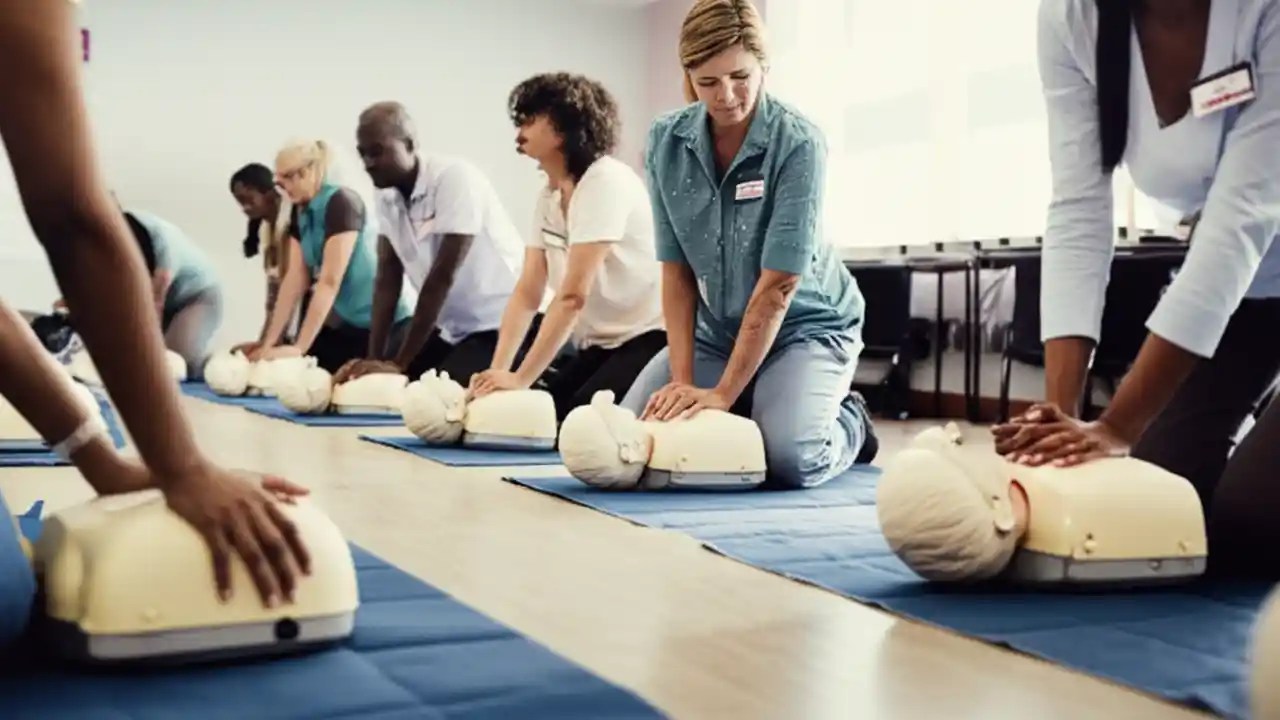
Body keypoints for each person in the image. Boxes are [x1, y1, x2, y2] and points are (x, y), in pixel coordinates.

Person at [0, 0, 311, 649]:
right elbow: (76, 225)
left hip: (197, 297)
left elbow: (150, 280)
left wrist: (103, 461)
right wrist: (183, 465)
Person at [995, 0, 1280, 578]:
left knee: (1254, 522)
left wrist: (1118, 425)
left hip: (1238, 258)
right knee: (1163, 503)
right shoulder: (1073, 19)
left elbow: (1240, 217)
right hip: (1250, 296)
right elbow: (1079, 209)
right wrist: (1062, 418)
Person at [620, 0, 878, 489]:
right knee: (639, 443)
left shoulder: (799, 142)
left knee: (791, 459)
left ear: (764, 66)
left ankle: (851, 421)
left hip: (806, 326)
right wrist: (684, 384)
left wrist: (719, 395)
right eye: (708, 82)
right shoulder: (664, 142)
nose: (728, 96)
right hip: (717, 330)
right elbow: (675, 272)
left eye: (740, 76)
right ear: (688, 75)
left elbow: (779, 287)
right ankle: (749, 394)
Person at [468, 73, 667, 421]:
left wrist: (521, 379)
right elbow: (529, 291)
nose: (519, 131)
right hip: (598, 345)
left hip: (648, 340)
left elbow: (573, 294)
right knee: (540, 415)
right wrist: (496, 375)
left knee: (573, 424)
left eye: (530, 119)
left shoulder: (605, 181)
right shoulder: (548, 195)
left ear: (565, 126)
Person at [336, 101, 525, 388]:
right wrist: (373, 360)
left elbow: (441, 277)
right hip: (455, 330)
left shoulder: (454, 178)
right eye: (363, 154)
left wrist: (399, 365)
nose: (368, 164)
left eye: (377, 151)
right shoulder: (385, 194)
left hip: (503, 324)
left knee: (433, 396)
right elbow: (387, 281)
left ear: (409, 144)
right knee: (389, 386)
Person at [241, 138, 413, 373]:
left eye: (290, 178)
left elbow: (329, 282)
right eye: (280, 182)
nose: (285, 189)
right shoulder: (299, 210)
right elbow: (294, 279)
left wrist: (299, 348)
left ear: (311, 171)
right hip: (350, 322)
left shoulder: (342, 202)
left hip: (389, 326)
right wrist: (268, 344)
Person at [229, 163, 299, 337]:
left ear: (270, 192)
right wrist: (264, 342)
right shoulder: (267, 232)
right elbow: (273, 296)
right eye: (240, 202)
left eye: (248, 200)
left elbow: (292, 286)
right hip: (286, 323)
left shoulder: (294, 222)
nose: (244, 208)